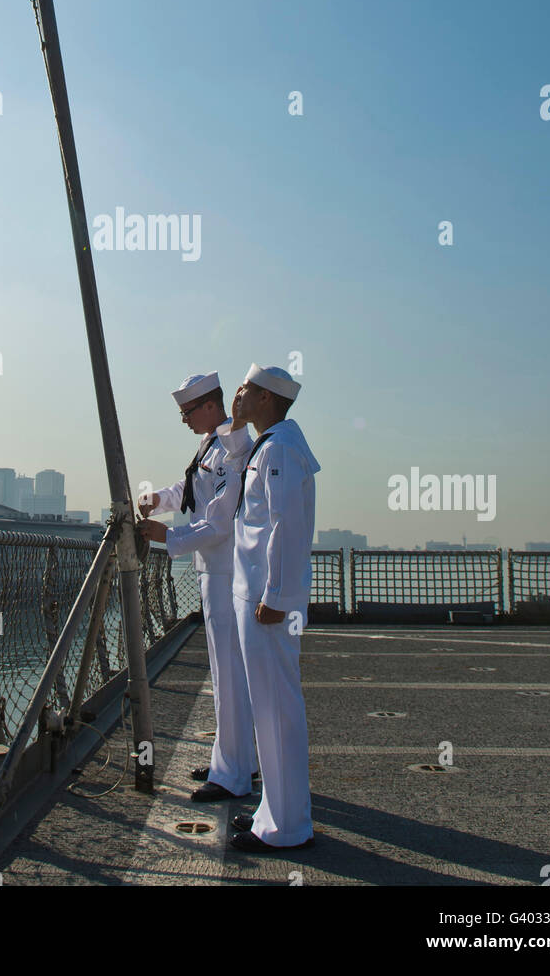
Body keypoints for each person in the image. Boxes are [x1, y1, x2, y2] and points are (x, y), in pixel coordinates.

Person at [138, 372, 257, 802]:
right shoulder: (211, 444)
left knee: (229, 675)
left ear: (209, 406)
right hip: (215, 572)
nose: (184, 419)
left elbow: (219, 521)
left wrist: (166, 537)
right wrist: (158, 499)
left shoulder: (232, 447)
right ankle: (236, 759)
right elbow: (191, 490)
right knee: (229, 674)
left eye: (187, 411)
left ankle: (232, 774)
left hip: (225, 573)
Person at [217, 362, 320, 851]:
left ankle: (287, 827)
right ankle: (271, 812)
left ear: (268, 400)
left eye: (247, 391)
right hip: (256, 596)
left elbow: (286, 525)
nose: (238, 396)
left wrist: (276, 598)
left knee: (276, 710)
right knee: (267, 708)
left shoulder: (279, 449)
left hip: (266, 603)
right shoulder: (270, 444)